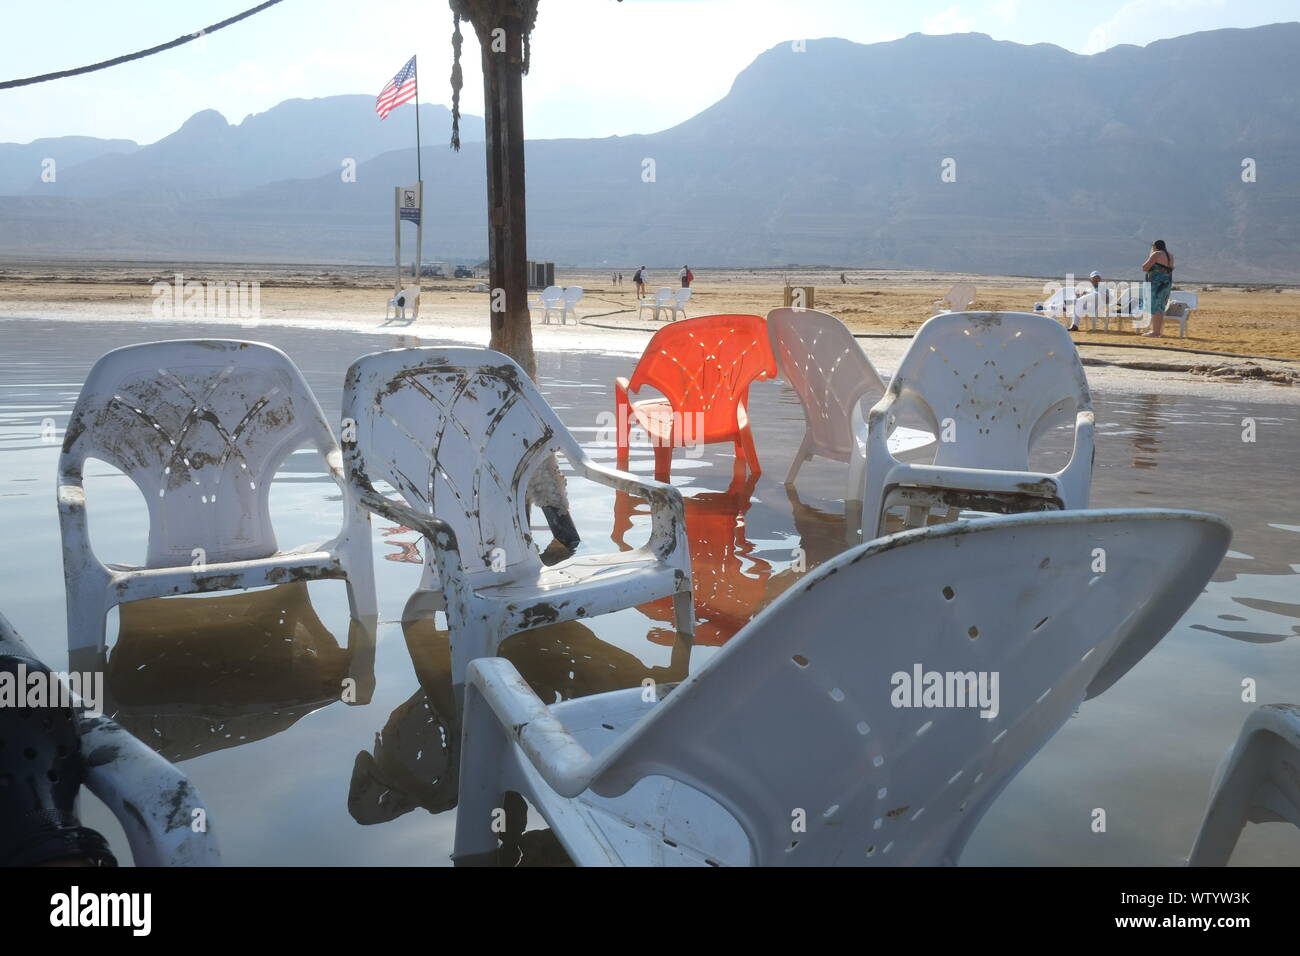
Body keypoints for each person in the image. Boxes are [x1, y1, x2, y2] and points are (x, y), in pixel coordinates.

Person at [1141, 240, 1175, 337]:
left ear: (1155, 246)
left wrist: (1151, 254)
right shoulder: (1170, 256)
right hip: (1166, 284)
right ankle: (1159, 331)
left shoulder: (1156, 254)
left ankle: (1155, 332)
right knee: (1161, 307)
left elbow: (1145, 267)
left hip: (1156, 284)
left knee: (1155, 307)